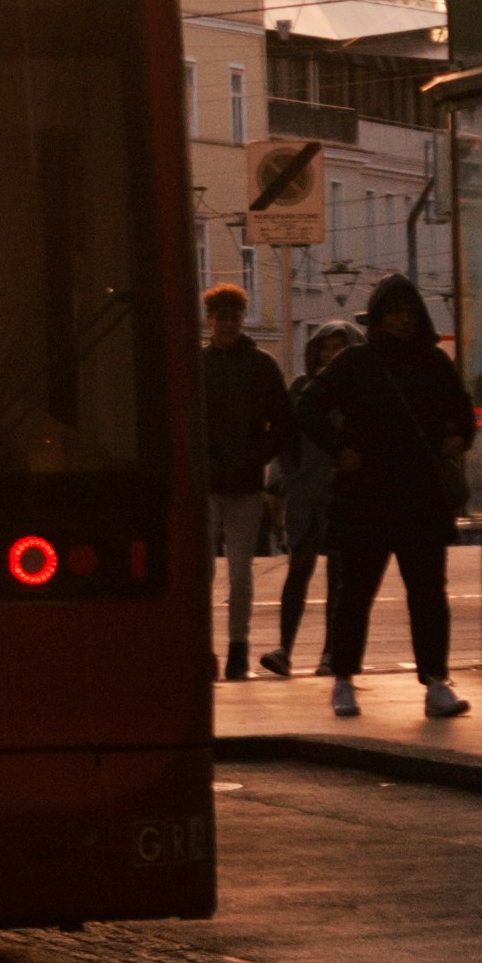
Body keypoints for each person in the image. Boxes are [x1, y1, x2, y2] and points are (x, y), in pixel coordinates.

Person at [301, 273, 474, 722]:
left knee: (428, 594)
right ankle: (343, 677)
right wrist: (339, 449)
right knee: (356, 593)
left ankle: (435, 682)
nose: (402, 321)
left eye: (409, 313)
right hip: (368, 495)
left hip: (419, 494)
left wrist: (458, 436)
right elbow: (308, 405)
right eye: (394, 313)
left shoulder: (433, 362)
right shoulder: (356, 362)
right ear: (379, 318)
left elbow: (462, 409)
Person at [200, 282, 291, 683]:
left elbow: (283, 423)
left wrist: (257, 458)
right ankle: (211, 647)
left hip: (241, 485)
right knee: (207, 572)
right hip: (211, 484)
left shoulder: (259, 365)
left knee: (238, 574)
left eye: (234, 317)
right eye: (222, 317)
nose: (228, 324)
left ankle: (236, 646)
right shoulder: (205, 364)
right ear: (210, 320)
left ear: (241, 320)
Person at [259, 323, 352, 677]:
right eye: (327, 347)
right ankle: (285, 649)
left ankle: (331, 653)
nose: (332, 353)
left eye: (340, 347)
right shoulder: (301, 387)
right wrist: (291, 476)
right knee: (299, 569)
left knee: (337, 575)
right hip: (305, 492)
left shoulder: (354, 390)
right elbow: (285, 436)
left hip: (340, 492)